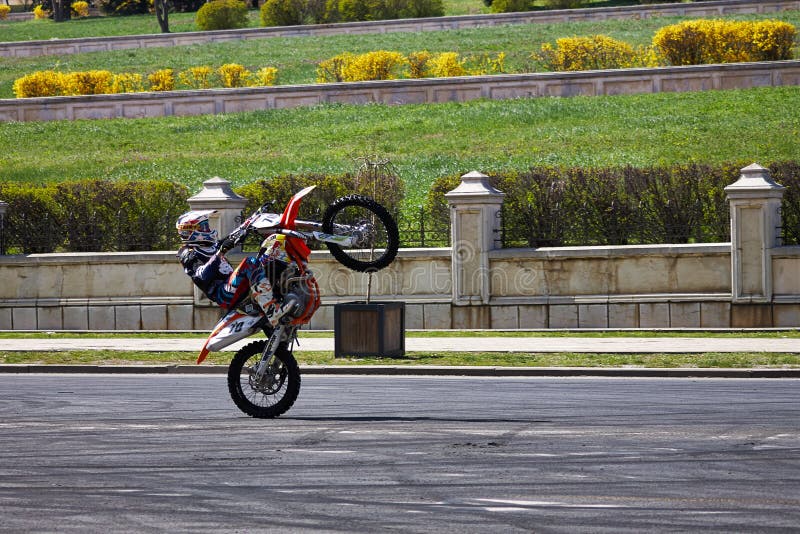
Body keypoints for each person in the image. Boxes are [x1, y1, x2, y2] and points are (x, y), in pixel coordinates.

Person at [176, 210, 286, 324]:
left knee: (270, 256)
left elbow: (232, 237)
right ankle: (271, 309)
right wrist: (220, 253)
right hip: (223, 293)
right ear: (190, 231)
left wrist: (255, 216)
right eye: (203, 227)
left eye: (207, 225)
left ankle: (283, 295)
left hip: (233, 285)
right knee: (249, 262)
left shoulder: (209, 246)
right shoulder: (187, 253)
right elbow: (201, 276)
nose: (208, 229)